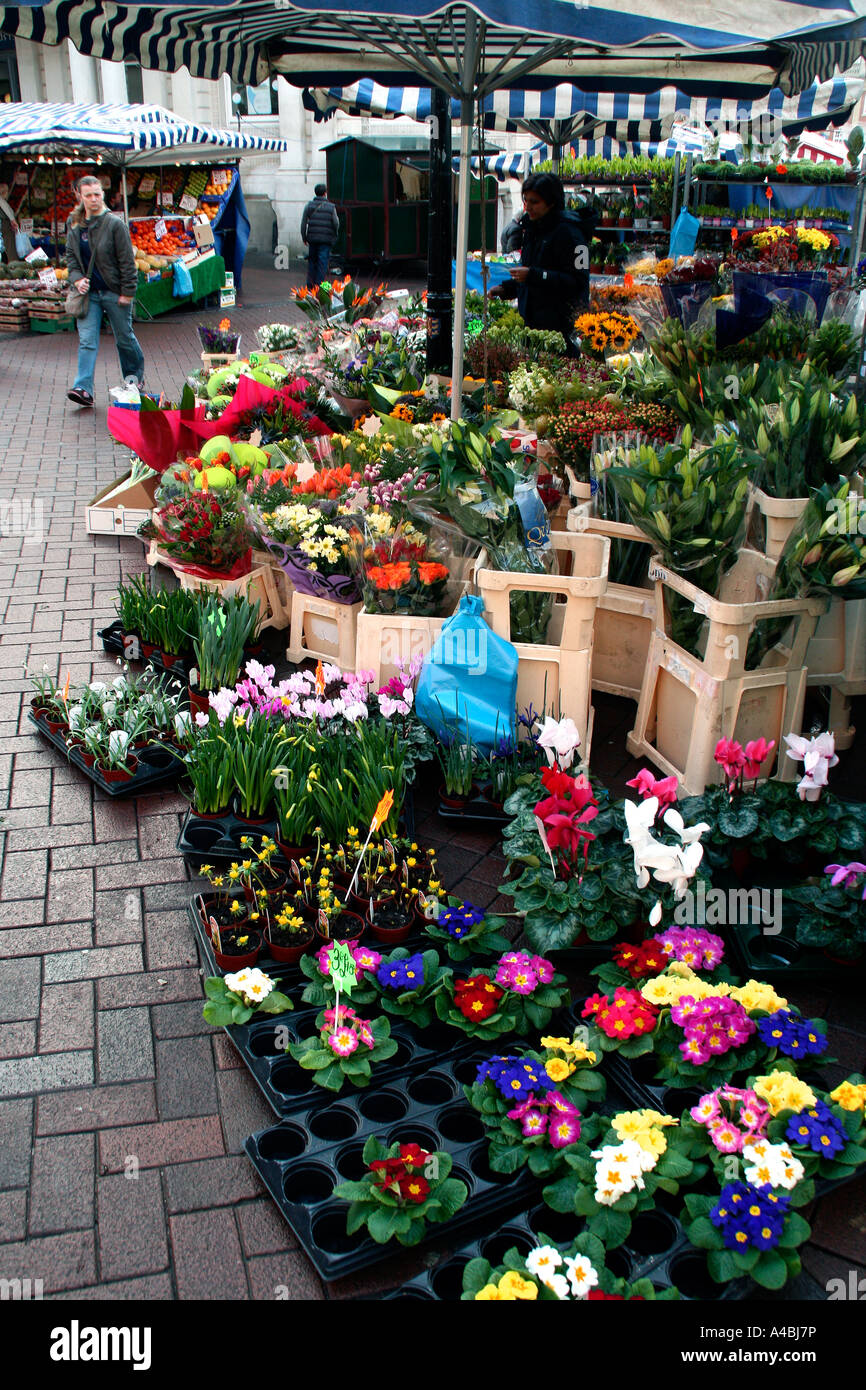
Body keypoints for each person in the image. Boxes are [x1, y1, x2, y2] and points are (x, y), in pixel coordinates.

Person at [65, 174, 144, 408]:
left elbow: (127, 261)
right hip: (89, 295)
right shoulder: (76, 225)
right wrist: (77, 279)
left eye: (97, 194)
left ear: (103, 195)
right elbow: (71, 258)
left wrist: (128, 292)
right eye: (88, 195)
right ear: (79, 196)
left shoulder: (114, 224)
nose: (93, 199)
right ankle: (83, 388)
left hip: (114, 292)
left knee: (124, 337)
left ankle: (134, 378)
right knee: (87, 341)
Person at [490, 172, 589, 347]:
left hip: (561, 331)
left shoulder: (571, 234)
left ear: (551, 202)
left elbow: (577, 283)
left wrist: (534, 275)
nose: (528, 207)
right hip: (533, 327)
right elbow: (531, 273)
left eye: (535, 202)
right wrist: (506, 288)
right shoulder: (531, 229)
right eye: (526, 201)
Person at [300, 183, 339, 289]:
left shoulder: (309, 206)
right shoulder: (331, 207)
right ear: (325, 193)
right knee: (322, 263)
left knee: (312, 261)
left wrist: (304, 237)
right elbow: (336, 223)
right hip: (325, 240)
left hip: (312, 239)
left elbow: (303, 223)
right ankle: (319, 286)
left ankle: (310, 286)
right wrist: (334, 234)